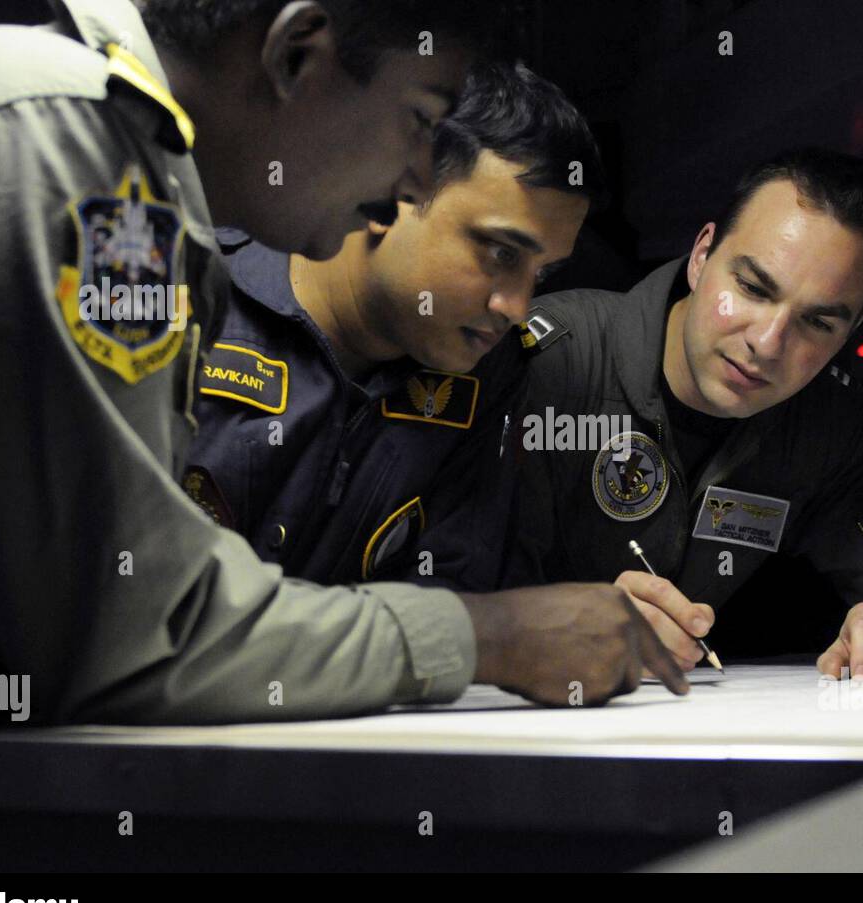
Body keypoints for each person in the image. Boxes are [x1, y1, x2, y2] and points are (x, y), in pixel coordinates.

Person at [0, 0, 687, 725]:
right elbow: (122, 636)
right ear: (297, 55)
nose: (417, 180)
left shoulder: (88, 140)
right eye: (419, 120)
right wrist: (490, 637)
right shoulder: (64, 145)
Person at [504, 147, 863, 680]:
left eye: (817, 323)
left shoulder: (828, 424)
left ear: (850, 334)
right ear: (701, 256)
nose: (767, 343)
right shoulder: (544, 366)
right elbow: (428, 587)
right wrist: (557, 623)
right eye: (753, 288)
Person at [183, 62, 597, 592]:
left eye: (543, 273)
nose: (517, 306)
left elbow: (451, 606)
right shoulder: (192, 294)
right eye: (500, 252)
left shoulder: (490, 377)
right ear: (386, 193)